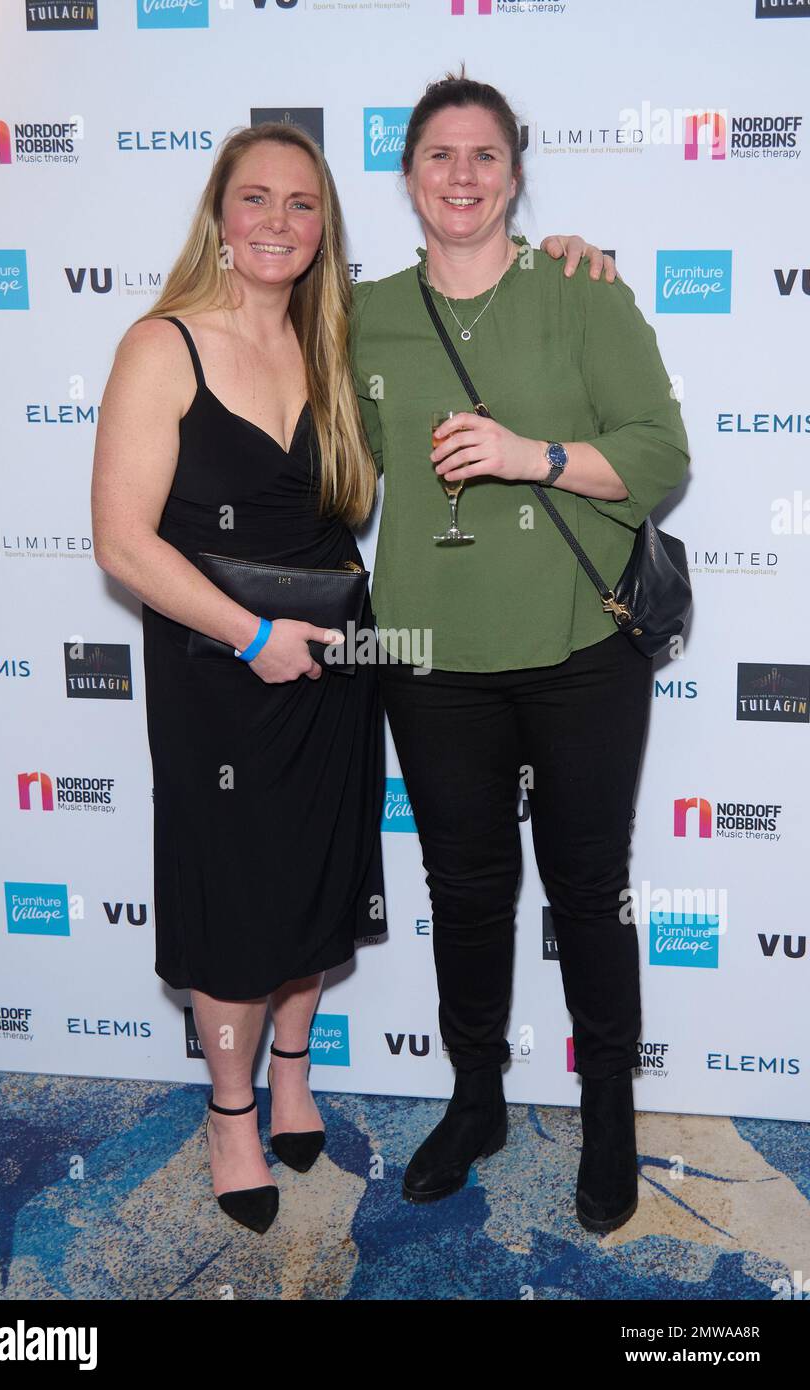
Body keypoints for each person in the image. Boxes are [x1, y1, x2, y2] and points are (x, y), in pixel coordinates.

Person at [349, 73, 690, 1233]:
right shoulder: (367, 316)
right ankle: (478, 1097)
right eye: (439, 155)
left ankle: (609, 1118)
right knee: (467, 887)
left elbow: (657, 454)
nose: (461, 175)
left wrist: (532, 455)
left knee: (590, 892)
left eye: (483, 155)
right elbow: (329, 467)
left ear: (515, 171)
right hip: (431, 655)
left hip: (583, 644)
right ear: (407, 177)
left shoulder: (582, 292)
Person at [91, 123, 386, 1235]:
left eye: (302, 204)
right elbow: (123, 541)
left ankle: (295, 1074)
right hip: (221, 672)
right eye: (255, 198)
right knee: (234, 910)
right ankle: (230, 1111)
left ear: (324, 230)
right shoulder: (162, 345)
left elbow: (475, 295)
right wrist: (251, 634)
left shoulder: (338, 344)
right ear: (220, 212)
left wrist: (574, 252)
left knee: (317, 883)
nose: (277, 221)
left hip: (332, 667)